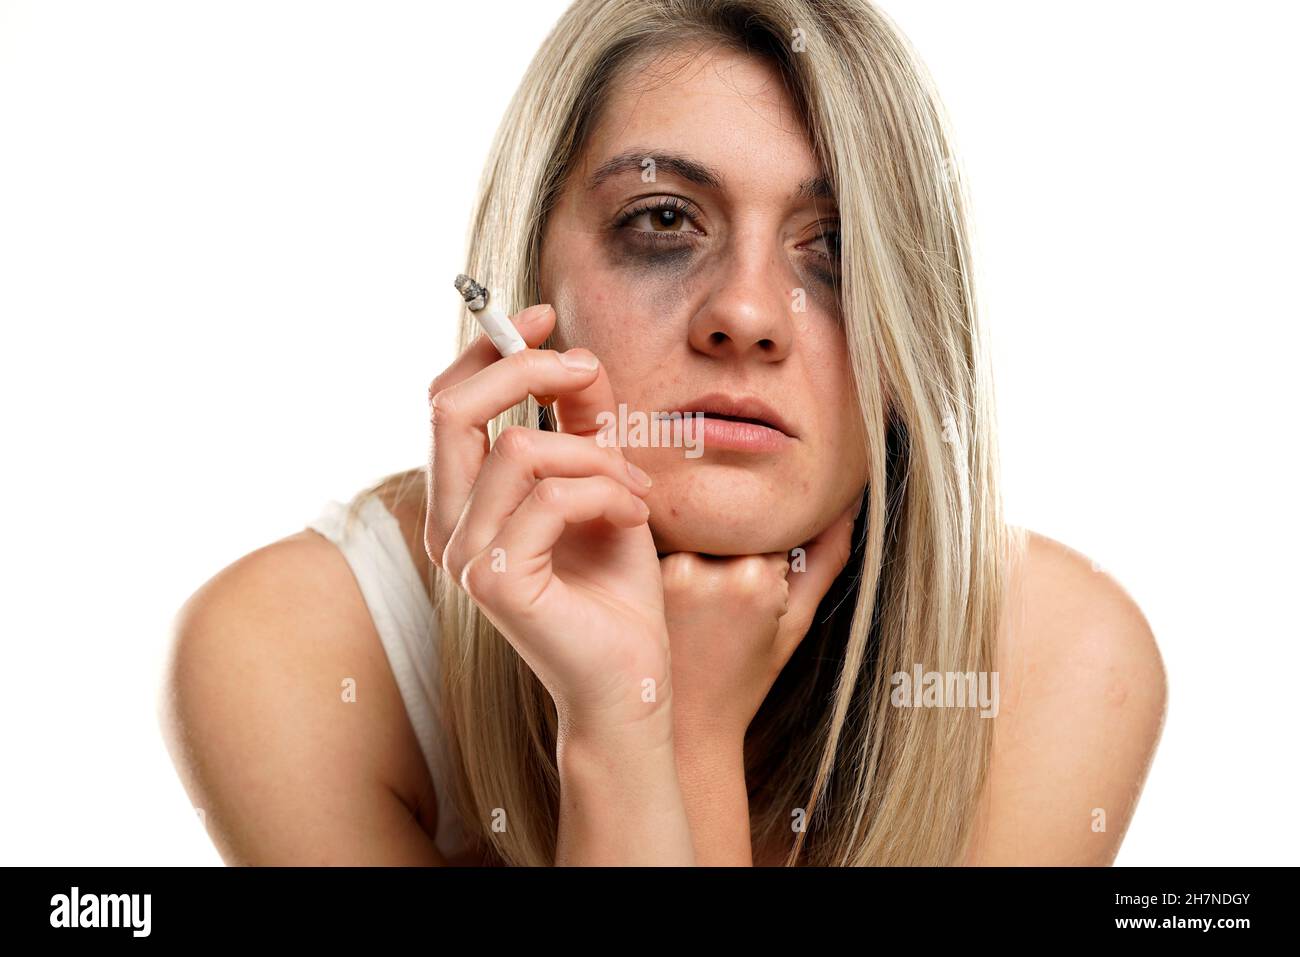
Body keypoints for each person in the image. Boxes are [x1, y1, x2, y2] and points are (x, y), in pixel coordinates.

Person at [158, 0, 1167, 866]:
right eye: (662, 220)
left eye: (837, 248)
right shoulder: (294, 653)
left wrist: (679, 739)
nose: (747, 314)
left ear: (914, 334)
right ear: (528, 281)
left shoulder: (1056, 662)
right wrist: (625, 725)